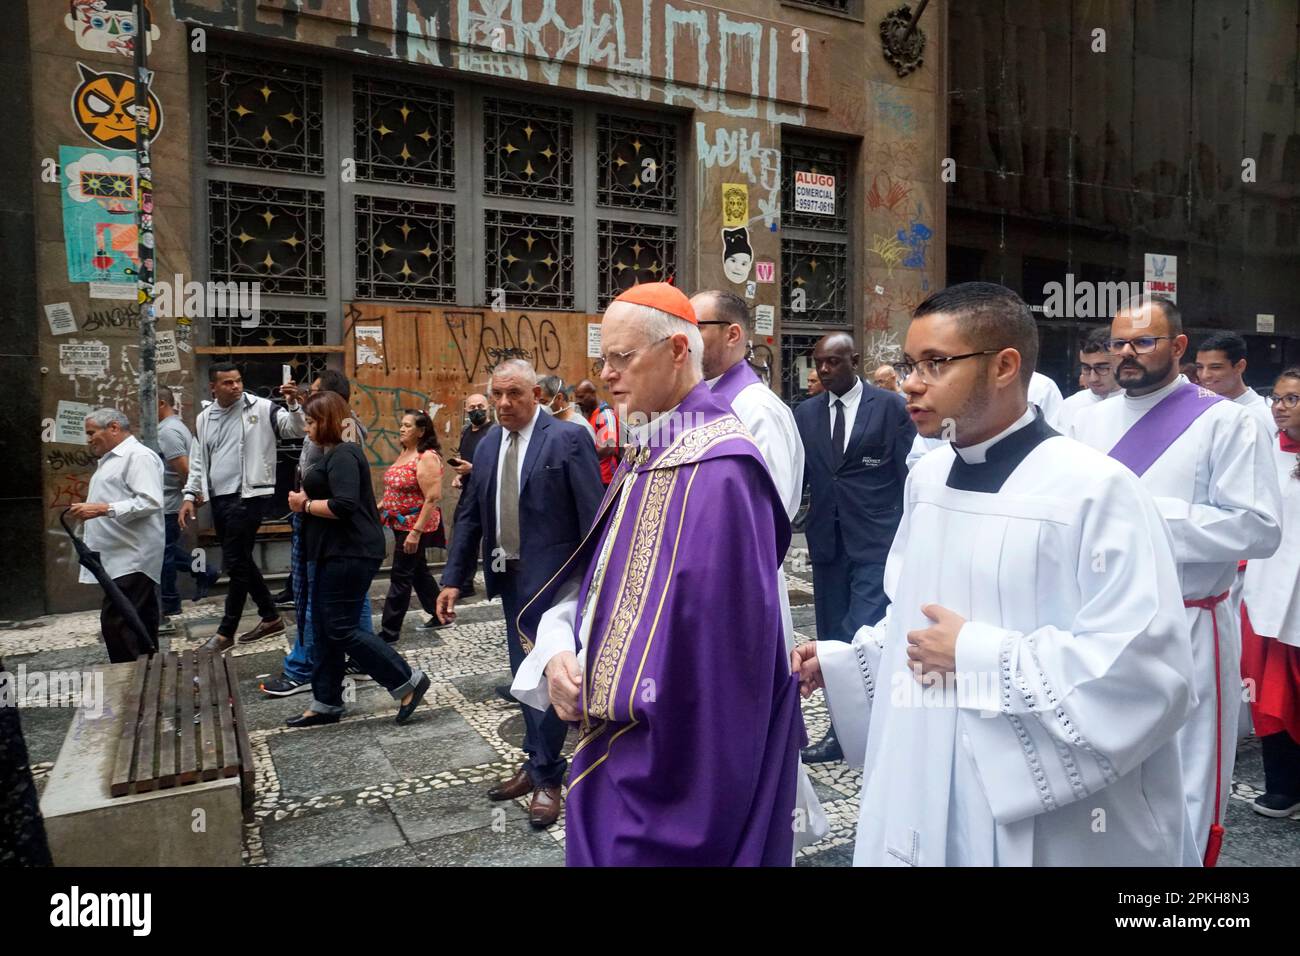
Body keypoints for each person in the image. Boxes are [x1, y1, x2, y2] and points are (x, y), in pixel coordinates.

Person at [791, 282, 1197, 866]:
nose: (910, 382)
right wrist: (846, 662)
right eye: (910, 364)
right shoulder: (927, 483)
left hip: (1039, 813)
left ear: (1006, 365)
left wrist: (981, 657)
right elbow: (917, 621)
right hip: (927, 772)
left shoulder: (1094, 491)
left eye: (936, 363)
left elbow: (1146, 674)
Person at [512, 282, 804, 866]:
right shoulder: (649, 449)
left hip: (674, 759)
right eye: (603, 360)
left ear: (677, 351)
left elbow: (724, 658)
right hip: (617, 735)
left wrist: (605, 687)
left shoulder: (724, 470)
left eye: (624, 357)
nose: (609, 374)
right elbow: (601, 583)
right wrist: (555, 651)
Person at [1067, 295, 1282, 865]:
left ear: (1178, 346)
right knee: (1103, 764)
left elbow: (1259, 529)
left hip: (1188, 621)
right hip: (1099, 623)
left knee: (1188, 776)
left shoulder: (1227, 421)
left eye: (1144, 341)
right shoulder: (1080, 419)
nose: (1128, 354)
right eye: (1119, 343)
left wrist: (1143, 515)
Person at [437, 359, 603, 829]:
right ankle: (537, 761)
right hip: (509, 581)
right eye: (497, 396)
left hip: (555, 584)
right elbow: (470, 515)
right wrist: (452, 579)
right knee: (522, 675)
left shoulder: (568, 439)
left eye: (515, 394)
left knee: (551, 678)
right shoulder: (488, 444)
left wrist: (595, 587)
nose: (505, 403)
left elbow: (593, 516)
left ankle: (549, 776)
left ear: (537, 394)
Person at [694, 288, 826, 850]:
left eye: (695, 324)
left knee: (754, 728)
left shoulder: (758, 410)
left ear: (733, 333)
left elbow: (761, 521)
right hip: (705, 595)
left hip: (743, 598)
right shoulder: (700, 399)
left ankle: (775, 839)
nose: (683, 335)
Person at [793, 331, 915, 763]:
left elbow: (907, 475)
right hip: (826, 542)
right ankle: (844, 730)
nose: (823, 370)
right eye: (818, 363)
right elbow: (804, 477)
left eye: (832, 362)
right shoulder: (804, 414)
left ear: (854, 360)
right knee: (829, 635)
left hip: (875, 541)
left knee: (859, 630)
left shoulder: (890, 408)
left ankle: (876, 725)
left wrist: (910, 531)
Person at [283, 391, 430, 727]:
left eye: (310, 422)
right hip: (330, 551)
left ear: (327, 421)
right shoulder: (330, 454)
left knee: (340, 627)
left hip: (351, 551)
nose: (306, 429)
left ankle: (407, 680)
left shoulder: (346, 454)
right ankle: (326, 702)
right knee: (324, 627)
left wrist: (304, 505)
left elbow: (344, 505)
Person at [262, 370, 376, 697]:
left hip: (326, 524)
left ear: (332, 401)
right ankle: (360, 660)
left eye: (313, 392)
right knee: (350, 602)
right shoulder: (325, 426)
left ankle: (305, 668)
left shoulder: (344, 435)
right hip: (320, 520)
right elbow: (299, 426)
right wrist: (294, 402)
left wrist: (308, 504)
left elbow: (344, 497)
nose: (307, 396)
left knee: (314, 601)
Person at [181, 362, 305, 653]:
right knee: (240, 559)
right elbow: (198, 459)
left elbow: (295, 430)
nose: (235, 387)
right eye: (227, 383)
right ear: (213, 387)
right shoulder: (204, 418)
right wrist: (190, 494)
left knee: (235, 564)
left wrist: (293, 403)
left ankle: (226, 632)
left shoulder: (261, 408)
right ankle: (271, 616)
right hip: (221, 497)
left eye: (237, 381)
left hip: (251, 495)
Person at [1240, 368, 1300, 818]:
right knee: (1268, 695)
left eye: (1293, 399)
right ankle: (1283, 784)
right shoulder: (1265, 453)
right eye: (1277, 397)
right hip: (1264, 595)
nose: (1280, 406)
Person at [71, 408, 164, 662]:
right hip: (120, 556)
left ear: (113, 428)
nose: (88, 439)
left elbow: (150, 502)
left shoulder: (138, 457)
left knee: (117, 622)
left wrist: (101, 508)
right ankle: (148, 672)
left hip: (133, 557)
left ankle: (129, 681)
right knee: (138, 619)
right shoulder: (113, 459)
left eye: (92, 433)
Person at [378, 410, 445, 643]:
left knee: (400, 575)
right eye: (401, 425)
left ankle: (389, 632)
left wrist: (415, 533)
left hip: (416, 525)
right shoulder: (405, 452)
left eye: (408, 426)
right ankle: (441, 613)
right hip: (398, 521)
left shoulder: (427, 457)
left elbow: (432, 498)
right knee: (418, 571)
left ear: (421, 431)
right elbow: (395, 489)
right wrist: (380, 506)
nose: (402, 429)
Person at [906, 368, 1064, 467]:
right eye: (912, 365)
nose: (908, 385)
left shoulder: (1041, 387)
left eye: (935, 362)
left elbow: (1052, 448)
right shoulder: (925, 475)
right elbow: (918, 456)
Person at [157, 387, 217, 619]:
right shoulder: (174, 427)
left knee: (164, 554)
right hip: (170, 500)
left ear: (161, 403)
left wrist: (190, 496)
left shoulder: (168, 431)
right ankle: (205, 571)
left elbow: (184, 467)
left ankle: (170, 603)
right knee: (166, 550)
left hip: (170, 502)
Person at [446, 393, 491, 600]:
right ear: (466, 410)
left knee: (491, 541)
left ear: (488, 407)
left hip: (488, 495)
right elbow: (466, 461)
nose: (476, 410)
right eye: (472, 407)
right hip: (468, 492)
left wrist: (473, 468)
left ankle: (497, 581)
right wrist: (459, 477)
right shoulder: (466, 433)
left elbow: (498, 465)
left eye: (480, 406)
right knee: (462, 538)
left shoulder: (494, 433)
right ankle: (463, 583)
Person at [1195, 331, 1274, 437]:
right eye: (1200, 367)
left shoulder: (1269, 413)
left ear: (1240, 366)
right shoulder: (1196, 411)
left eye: (1215, 367)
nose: (1205, 375)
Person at [1053, 327, 1121, 434]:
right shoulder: (1069, 406)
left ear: (1119, 363)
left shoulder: (1137, 403)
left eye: (1102, 368)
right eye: (1086, 368)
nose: (1093, 378)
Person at [574, 379, 620, 486]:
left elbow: (610, 448)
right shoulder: (591, 414)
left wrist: (584, 455)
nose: (577, 401)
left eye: (581, 397)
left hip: (607, 479)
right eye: (576, 397)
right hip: (596, 477)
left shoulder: (606, 414)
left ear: (592, 394)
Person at [538, 375, 598, 443]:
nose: (539, 406)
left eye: (543, 402)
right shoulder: (546, 425)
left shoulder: (581, 428)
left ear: (559, 398)